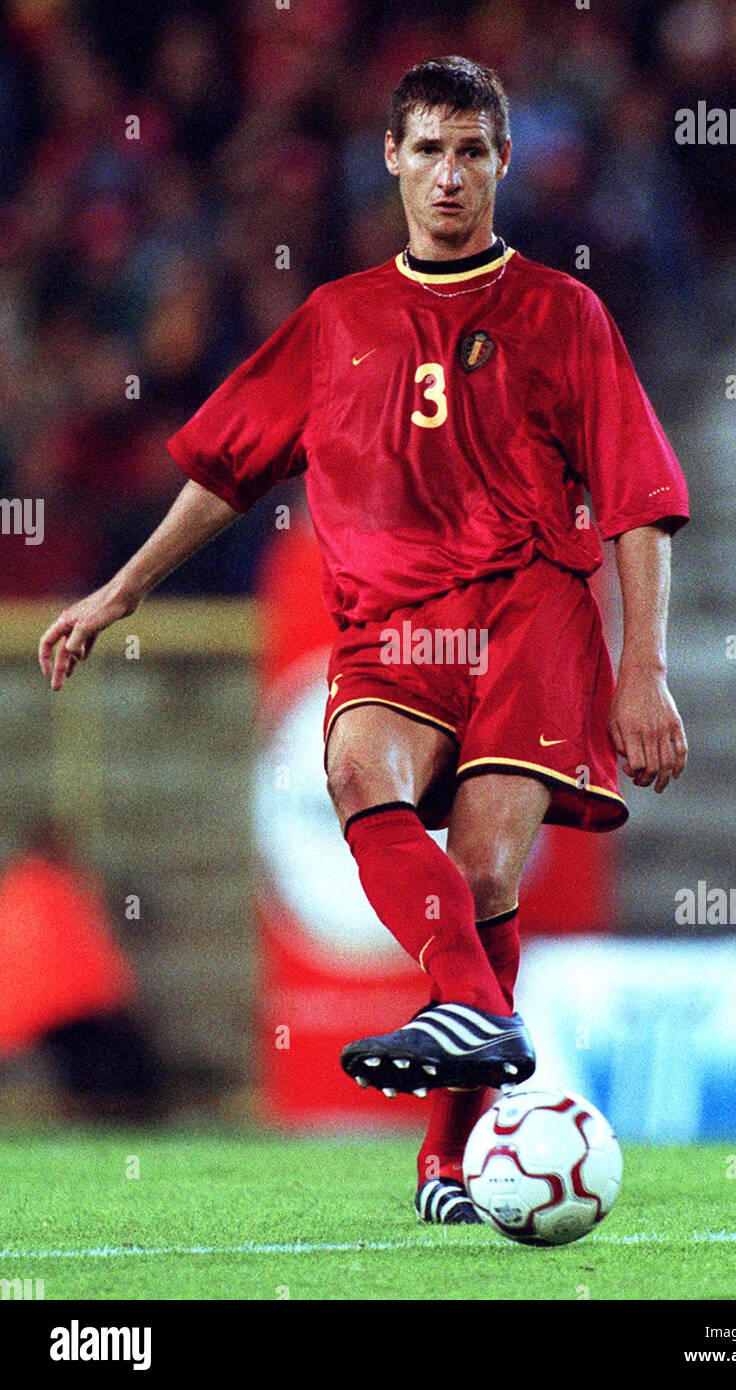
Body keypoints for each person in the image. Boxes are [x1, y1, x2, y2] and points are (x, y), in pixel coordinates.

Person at [39, 56, 689, 1226]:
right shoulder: (335, 319)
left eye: (473, 151)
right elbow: (223, 467)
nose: (450, 175)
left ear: (502, 163)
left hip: (525, 612)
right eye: (429, 149)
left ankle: (444, 1161)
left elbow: (638, 500)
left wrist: (642, 669)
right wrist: (120, 588)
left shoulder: (562, 312)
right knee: (352, 774)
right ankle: (475, 1011)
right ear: (389, 158)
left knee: (488, 870)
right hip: (389, 626)